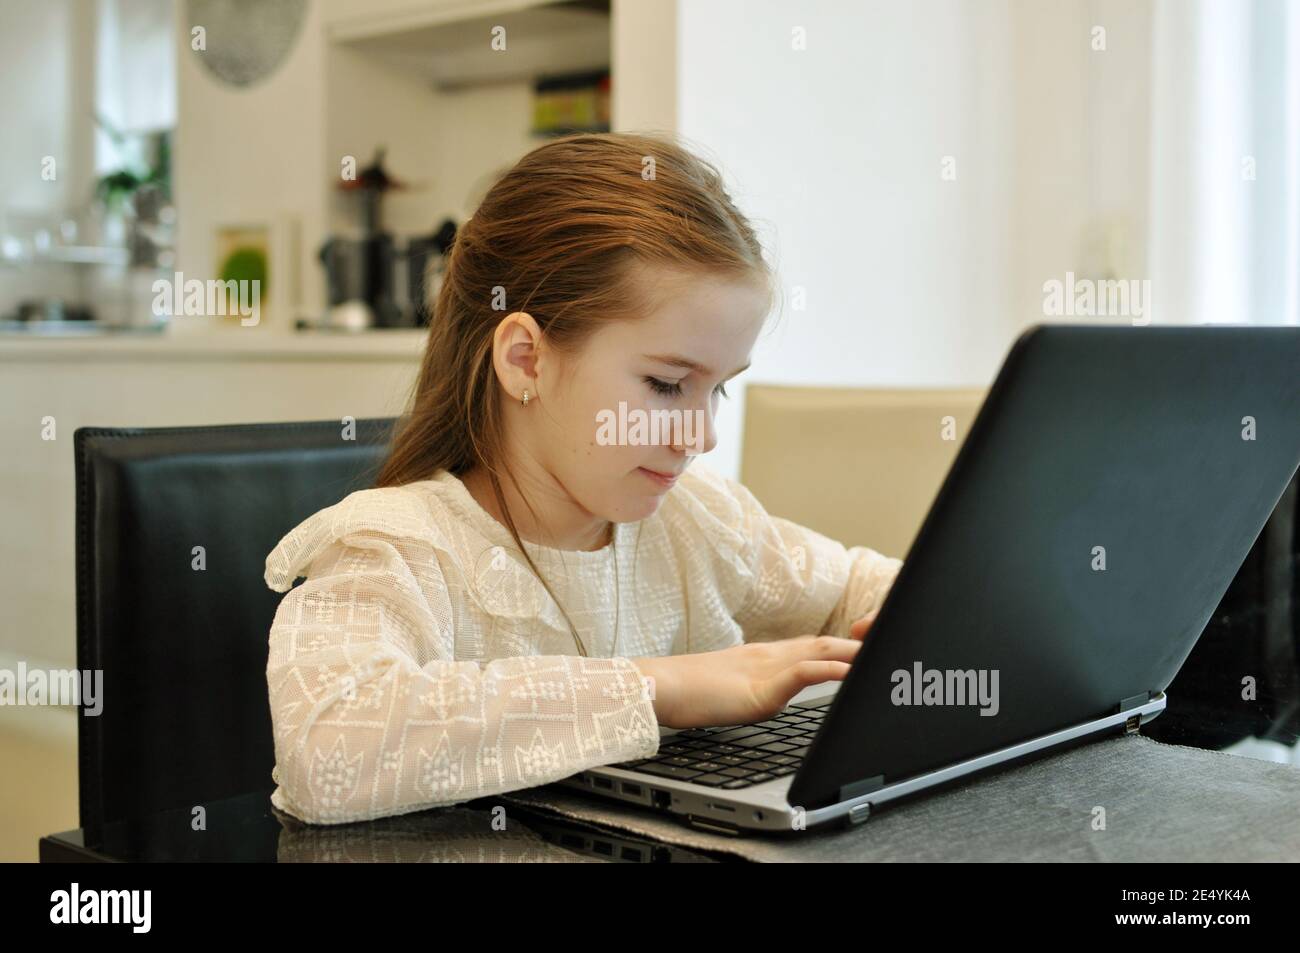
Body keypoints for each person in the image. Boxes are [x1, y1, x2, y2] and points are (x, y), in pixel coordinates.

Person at [262, 132, 902, 825]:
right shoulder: (395, 549)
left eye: (717, 390)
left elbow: (855, 588)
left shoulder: (698, 522)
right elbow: (328, 750)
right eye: (665, 384)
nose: (701, 436)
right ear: (525, 360)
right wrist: (662, 686)